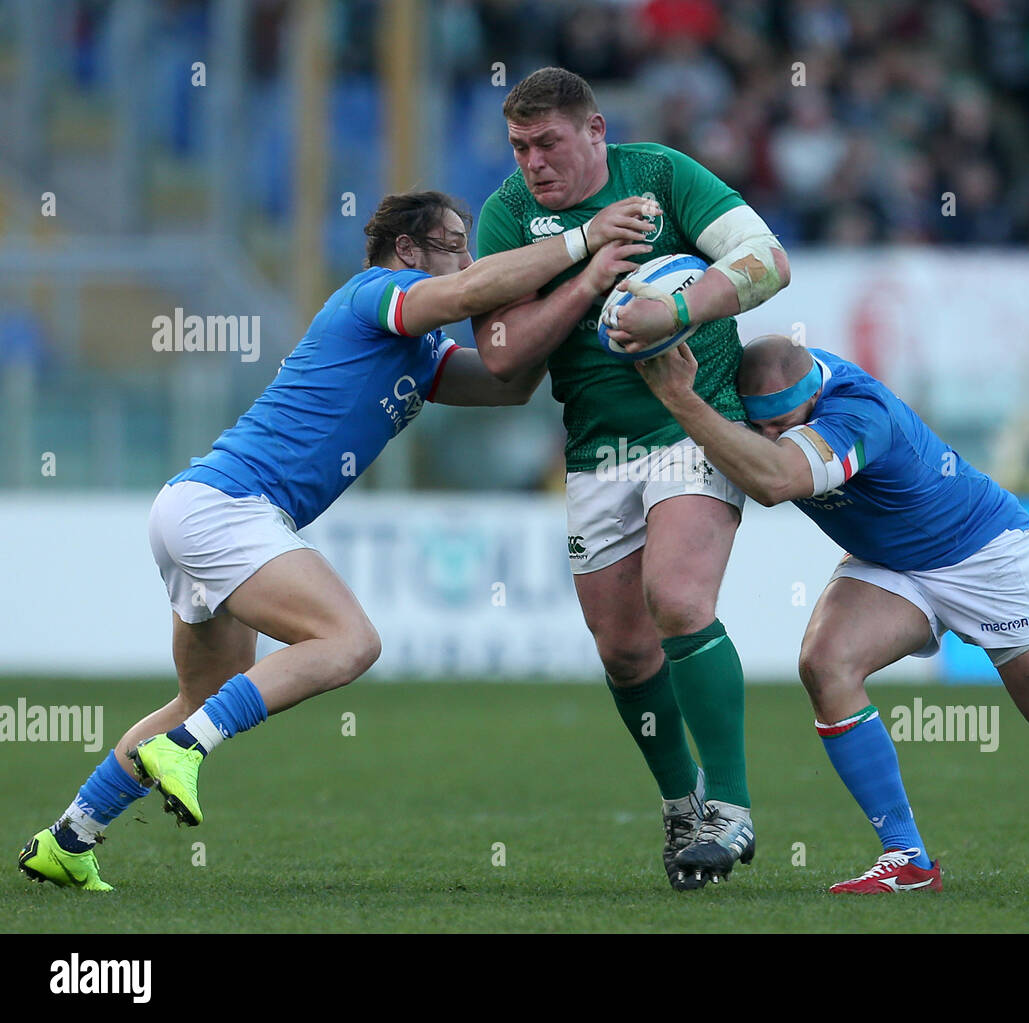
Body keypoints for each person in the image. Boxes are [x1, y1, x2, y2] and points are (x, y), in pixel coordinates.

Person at [18, 190, 655, 891]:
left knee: (205, 694)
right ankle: (189, 750)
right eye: (453, 242)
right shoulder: (376, 292)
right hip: (228, 508)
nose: (467, 258)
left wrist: (581, 295)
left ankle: (69, 836)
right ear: (409, 251)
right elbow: (475, 289)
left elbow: (508, 381)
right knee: (350, 642)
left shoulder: (423, 349)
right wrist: (584, 242)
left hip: (195, 506)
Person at [635, 335, 1029, 893]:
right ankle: (906, 858)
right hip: (893, 562)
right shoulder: (781, 394)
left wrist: (684, 401)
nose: (772, 437)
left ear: (813, 395)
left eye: (785, 426)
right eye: (762, 426)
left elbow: (776, 481)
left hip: (984, 555)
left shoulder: (858, 414)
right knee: (826, 662)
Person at [472, 67, 791, 889]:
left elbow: (768, 259)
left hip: (692, 418)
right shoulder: (509, 215)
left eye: (547, 143)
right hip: (595, 449)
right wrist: (586, 274)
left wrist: (676, 312)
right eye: (519, 145)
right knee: (622, 650)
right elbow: (503, 356)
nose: (533, 161)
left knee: (680, 599)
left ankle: (732, 806)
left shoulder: (662, 175)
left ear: (595, 130)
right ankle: (681, 801)